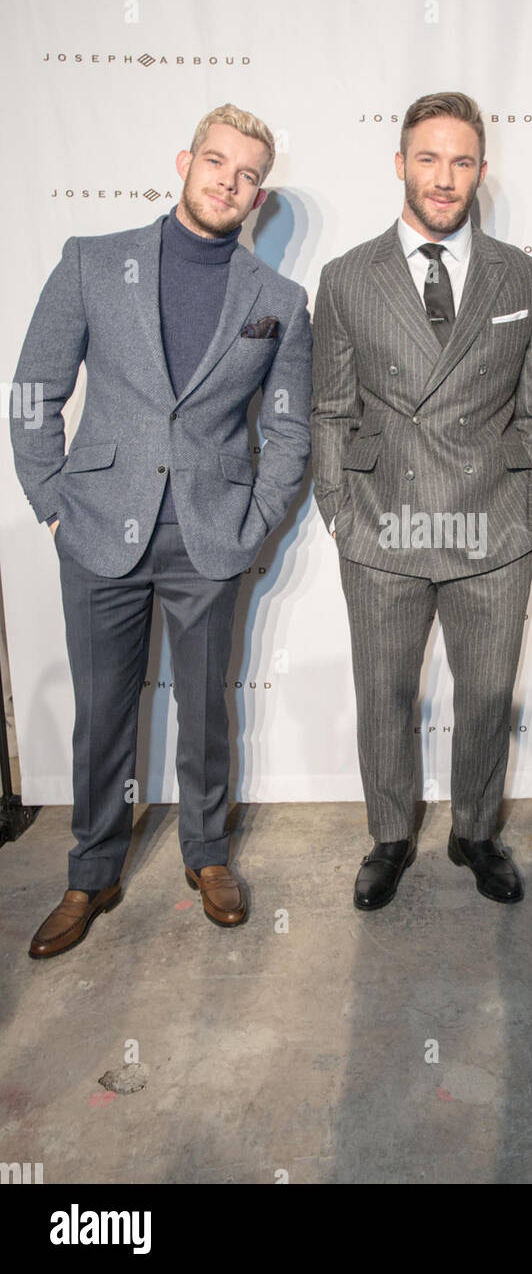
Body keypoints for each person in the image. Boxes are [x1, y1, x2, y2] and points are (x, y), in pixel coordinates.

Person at [11, 103, 312, 956]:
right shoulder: (93, 263)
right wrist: (53, 498)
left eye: (249, 174)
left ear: (259, 195)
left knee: (209, 711)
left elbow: (289, 426)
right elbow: (36, 387)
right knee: (102, 711)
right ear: (185, 161)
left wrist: (254, 524)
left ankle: (207, 854)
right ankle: (92, 868)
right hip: (100, 529)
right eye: (217, 162)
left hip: (211, 538)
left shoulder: (279, 299)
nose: (230, 181)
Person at [312, 91, 532, 910]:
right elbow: (329, 410)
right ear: (399, 165)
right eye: (428, 157)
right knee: (383, 692)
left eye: (461, 161)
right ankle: (390, 835)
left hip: (493, 526)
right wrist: (342, 514)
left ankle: (476, 831)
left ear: (482, 171)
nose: (444, 177)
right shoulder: (347, 277)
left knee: (488, 694)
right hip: (383, 525)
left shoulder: (524, 276)